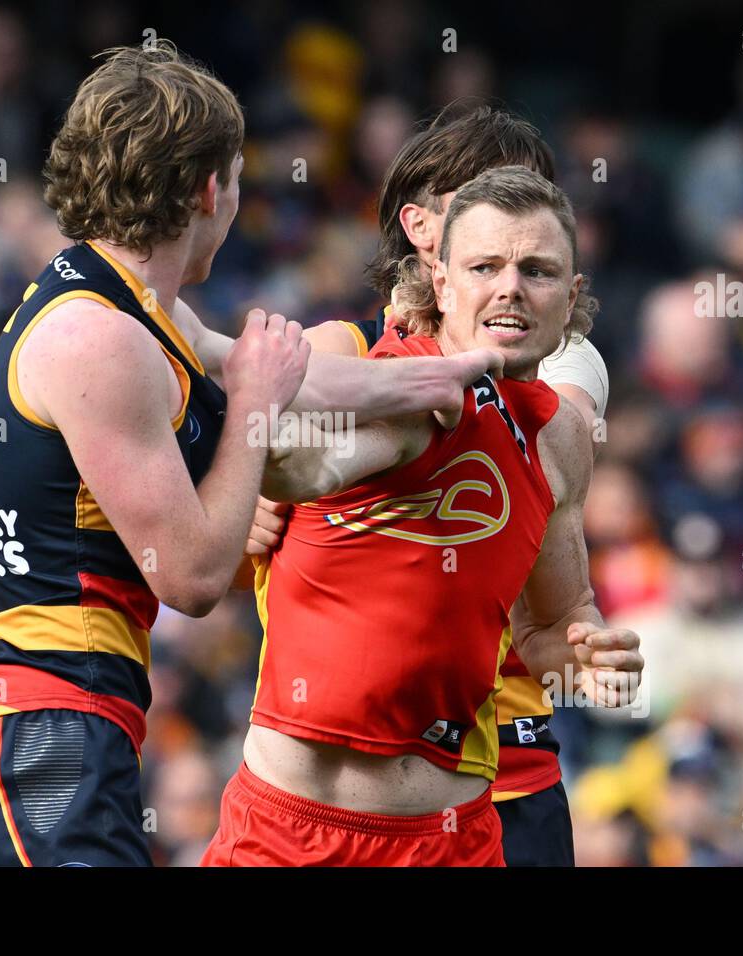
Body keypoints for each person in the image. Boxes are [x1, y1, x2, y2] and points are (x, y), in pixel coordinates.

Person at [0, 42, 500, 867]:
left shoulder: (132, 306)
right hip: (43, 741)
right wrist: (254, 408)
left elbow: (295, 379)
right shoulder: (100, 339)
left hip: (40, 740)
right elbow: (188, 577)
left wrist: (437, 380)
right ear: (210, 189)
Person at [202, 165, 643, 866]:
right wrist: (267, 455)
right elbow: (299, 467)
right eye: (484, 266)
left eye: (538, 270)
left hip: (454, 839)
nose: (510, 287)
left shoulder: (559, 439)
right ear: (440, 283)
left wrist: (587, 654)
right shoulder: (402, 387)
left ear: (572, 297)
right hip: (295, 835)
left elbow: (552, 622)